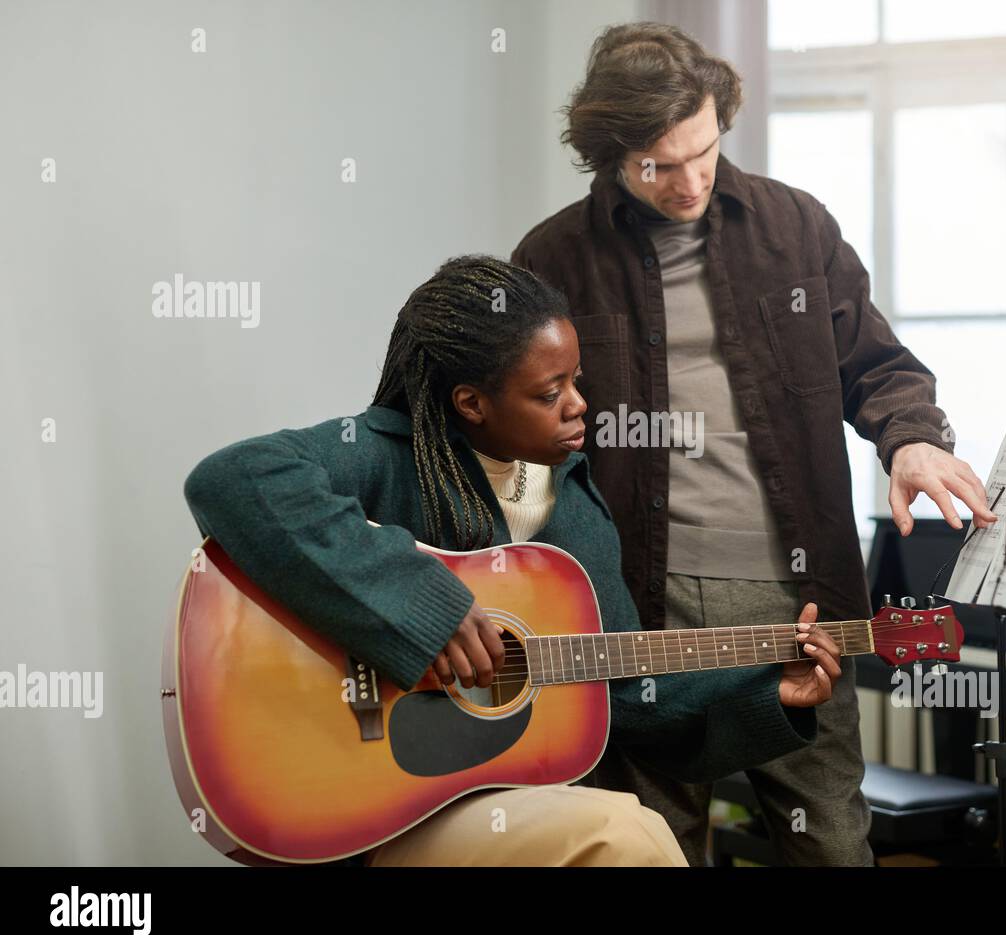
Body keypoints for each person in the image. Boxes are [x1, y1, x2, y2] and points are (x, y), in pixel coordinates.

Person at [512, 22, 997, 866]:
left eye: (705, 149)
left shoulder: (796, 227)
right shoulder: (553, 257)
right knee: (651, 841)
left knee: (833, 839)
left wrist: (911, 442)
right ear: (610, 156)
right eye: (662, 165)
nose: (692, 180)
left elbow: (877, 368)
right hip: (633, 599)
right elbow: (516, 425)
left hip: (799, 594)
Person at [181, 254, 843, 866]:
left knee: (622, 827)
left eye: (575, 381)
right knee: (628, 834)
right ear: (472, 402)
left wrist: (768, 693)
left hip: (490, 801)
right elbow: (232, 479)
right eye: (549, 392)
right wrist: (422, 607)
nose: (580, 403)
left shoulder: (572, 503)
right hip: (357, 802)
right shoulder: (384, 452)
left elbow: (619, 693)